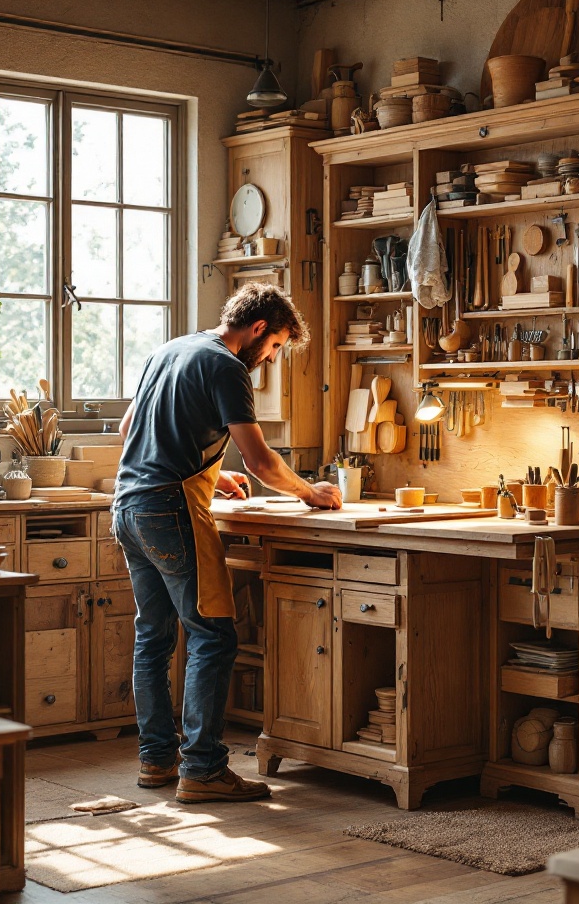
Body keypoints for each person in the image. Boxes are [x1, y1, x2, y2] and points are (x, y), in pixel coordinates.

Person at [113, 283, 341, 804]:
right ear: (258, 328)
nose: (274, 356)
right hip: (169, 510)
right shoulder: (227, 367)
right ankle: (204, 770)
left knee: (153, 637)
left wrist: (210, 476)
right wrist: (310, 491)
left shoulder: (170, 349)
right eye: (278, 345)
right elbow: (261, 463)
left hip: (129, 507)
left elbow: (131, 430)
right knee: (213, 636)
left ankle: (156, 760)